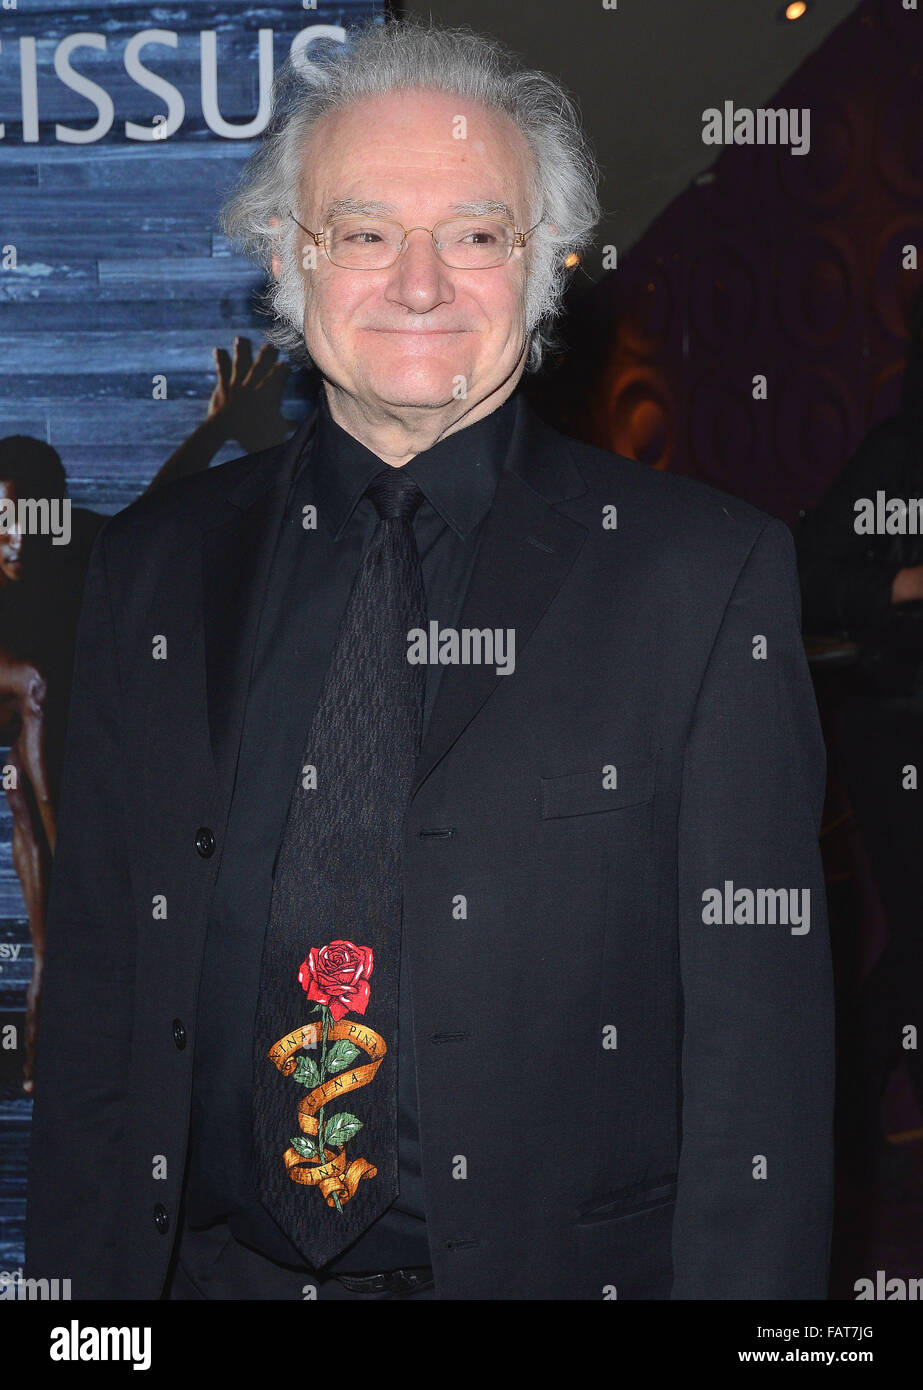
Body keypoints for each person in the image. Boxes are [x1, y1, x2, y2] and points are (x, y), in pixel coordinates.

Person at [26, 16, 834, 1301]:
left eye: (472, 233)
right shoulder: (153, 570)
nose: (418, 284)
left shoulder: (699, 577)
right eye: (362, 233)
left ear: (541, 271)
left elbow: (764, 1058)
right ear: (289, 262)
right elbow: (100, 1002)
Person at [1, 338, 289, 1093]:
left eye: (35, 517)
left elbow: (160, 510)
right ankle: (66, 947)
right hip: (22, 699)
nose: (20, 537)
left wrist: (224, 425)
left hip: (54, 747)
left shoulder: (76, 543)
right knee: (35, 687)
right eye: (3, 522)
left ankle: (70, 963)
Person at [797, 285, 923, 1178]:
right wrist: (910, 585)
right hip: (902, 729)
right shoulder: (898, 452)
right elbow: (806, 581)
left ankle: (847, 1113)